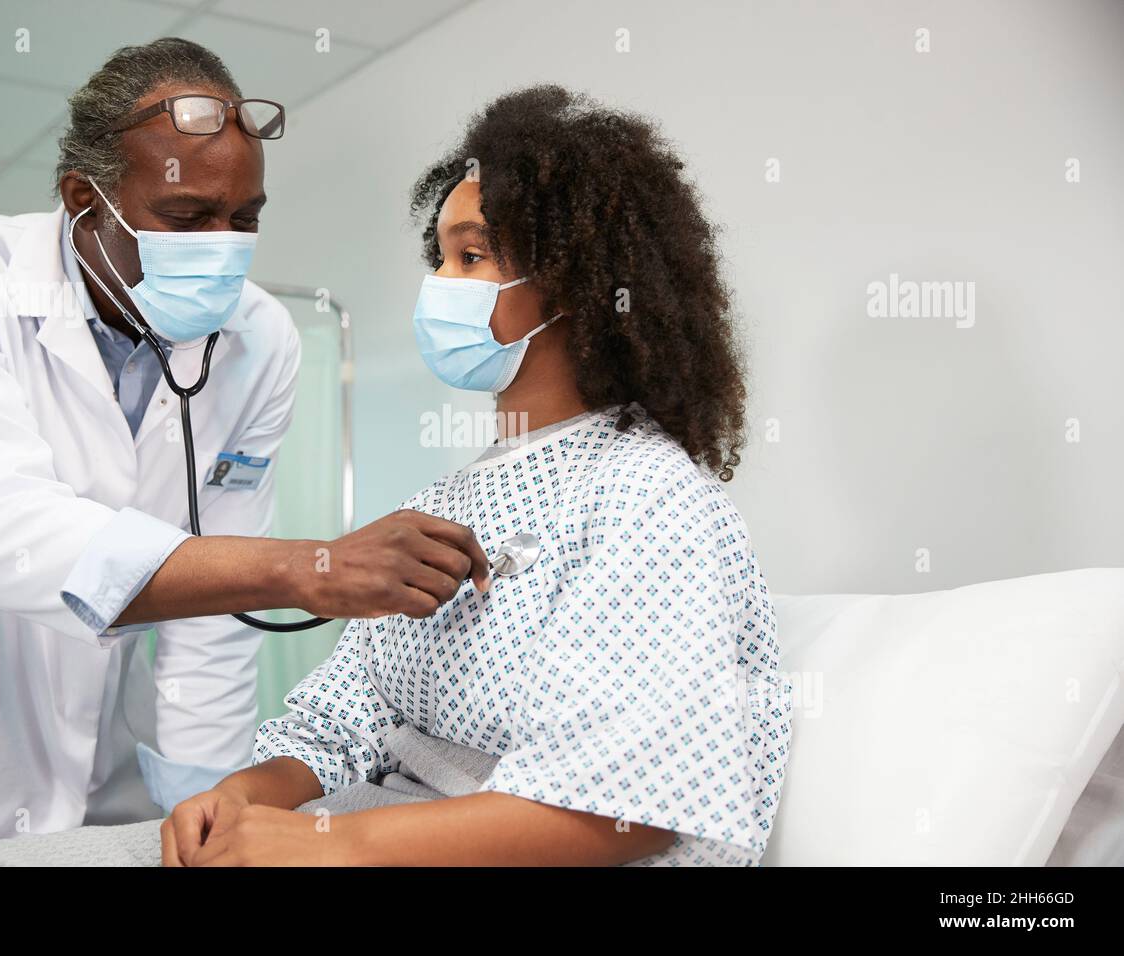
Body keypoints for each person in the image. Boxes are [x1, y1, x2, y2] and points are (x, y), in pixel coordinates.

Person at [0, 38, 488, 867]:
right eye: (185, 218)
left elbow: (214, 626)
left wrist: (202, 806)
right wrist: (308, 568)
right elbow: (11, 538)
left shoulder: (261, 339)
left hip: (103, 764)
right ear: (83, 200)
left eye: (245, 219)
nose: (224, 245)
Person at [161, 85, 793, 866]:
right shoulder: (445, 502)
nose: (440, 286)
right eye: (440, 258)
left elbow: (627, 807)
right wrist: (245, 794)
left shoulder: (647, 499)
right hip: (373, 821)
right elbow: (343, 720)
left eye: (472, 255)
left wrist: (338, 845)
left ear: (578, 281)